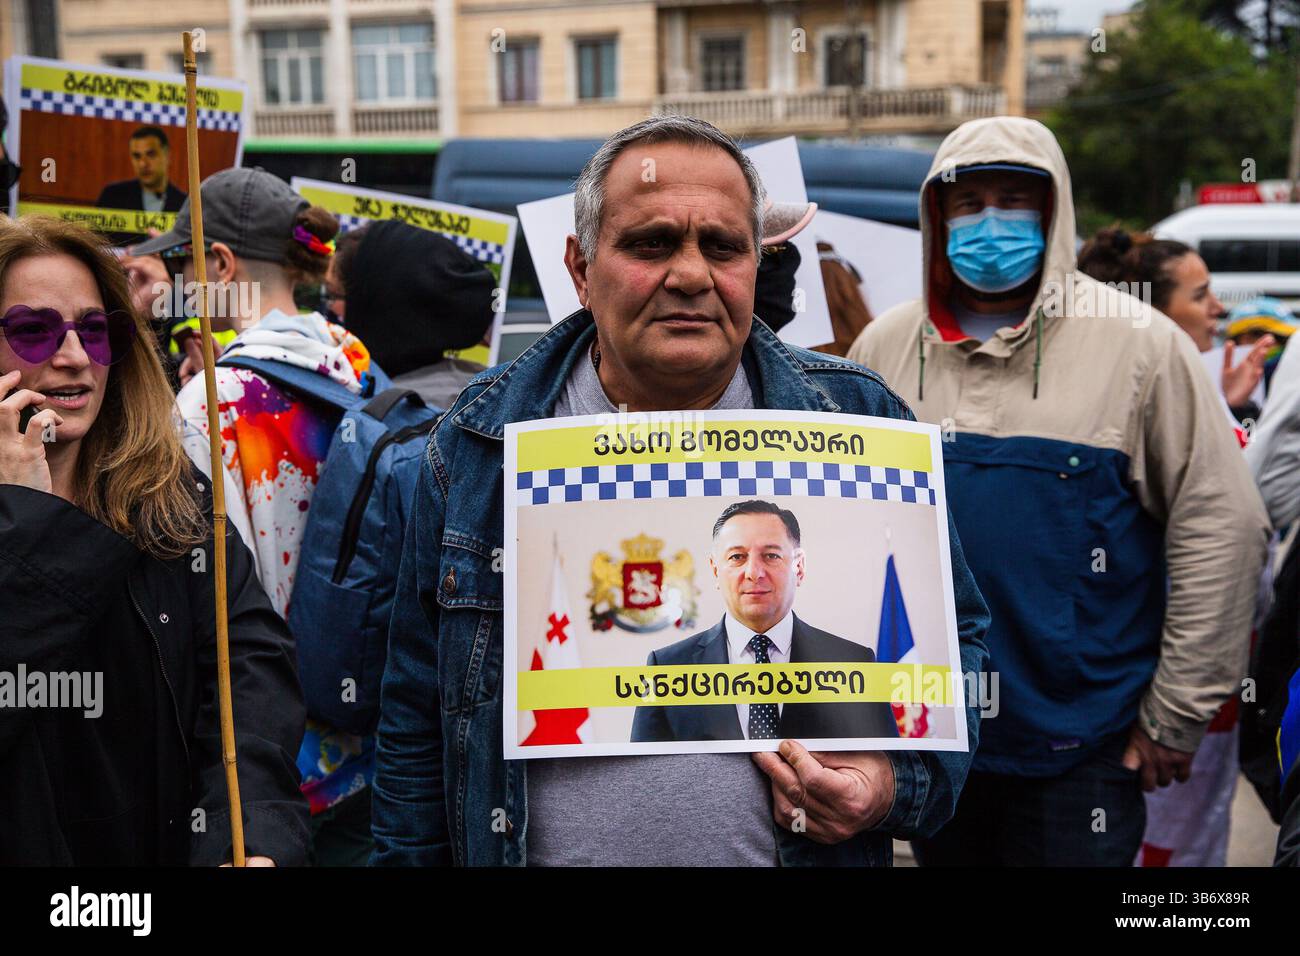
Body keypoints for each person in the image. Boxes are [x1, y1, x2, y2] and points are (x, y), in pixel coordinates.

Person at [373, 114, 991, 867]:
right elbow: (413, 716)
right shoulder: (474, 446)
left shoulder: (862, 421)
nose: (692, 274)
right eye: (652, 243)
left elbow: (956, 651)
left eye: (723, 247)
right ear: (580, 267)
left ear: (755, 266)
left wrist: (892, 786)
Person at [848, 116, 1270, 866]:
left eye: (1014, 200)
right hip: (935, 745)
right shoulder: (884, 346)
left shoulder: (1140, 347)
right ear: (935, 215)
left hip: (1082, 751)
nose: (988, 222)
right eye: (967, 203)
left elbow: (1222, 527)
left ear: (1055, 211)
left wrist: (1174, 715)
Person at [0, 216, 308, 865]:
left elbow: (246, 674)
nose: (75, 357)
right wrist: (25, 521)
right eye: (34, 331)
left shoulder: (172, 496)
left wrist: (244, 835)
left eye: (94, 329)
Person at [131, 168, 378, 865]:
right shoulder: (355, 365)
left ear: (220, 265)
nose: (178, 280)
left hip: (260, 770)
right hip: (365, 744)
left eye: (183, 262)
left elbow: (194, 601)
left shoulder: (210, 406)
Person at [1079, 225, 1267, 866]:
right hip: (1153, 701)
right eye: (1201, 294)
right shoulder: (1110, 417)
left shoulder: (1194, 403)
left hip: (1197, 700)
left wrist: (1223, 405)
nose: (1220, 308)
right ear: (1151, 315)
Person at [631, 499, 898, 743]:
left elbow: (887, 776)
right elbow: (643, 782)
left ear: (799, 567)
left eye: (771, 555)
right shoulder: (666, 669)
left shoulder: (855, 663)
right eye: (737, 557)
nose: (754, 572)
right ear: (715, 570)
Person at [1078, 229, 1275, 421]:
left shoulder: (1164, 390)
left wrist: (1232, 406)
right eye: (1200, 295)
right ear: (1149, 311)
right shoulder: (1139, 408)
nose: (1218, 306)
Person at [329, 219, 496, 409]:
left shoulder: (395, 413)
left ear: (380, 309)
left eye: (333, 295)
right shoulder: (475, 395)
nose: (329, 309)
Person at [95, 126, 187, 214]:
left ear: (167, 155)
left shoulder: (186, 205)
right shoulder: (111, 197)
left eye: (151, 154)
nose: (143, 164)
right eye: (137, 156)